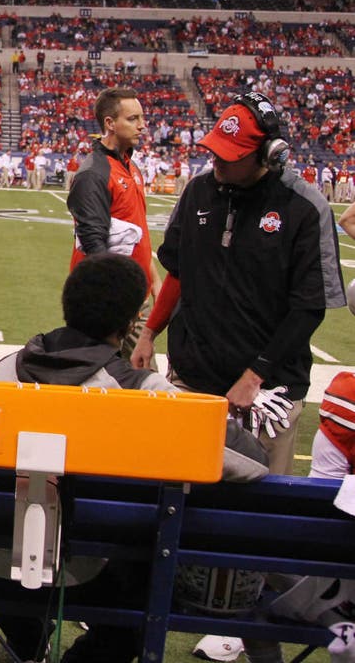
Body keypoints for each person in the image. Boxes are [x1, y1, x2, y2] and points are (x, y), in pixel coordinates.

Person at [0, 254, 269, 663]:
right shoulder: (141, 392)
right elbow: (251, 459)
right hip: (81, 571)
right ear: (132, 322)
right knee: (147, 583)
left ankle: (29, 646)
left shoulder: (3, 371)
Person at [133, 92, 345, 475]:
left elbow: (308, 308)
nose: (217, 161)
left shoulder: (305, 208)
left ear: (268, 155)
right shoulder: (198, 191)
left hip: (267, 394)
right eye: (216, 149)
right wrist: (149, 333)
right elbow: (179, 272)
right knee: (175, 491)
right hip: (191, 377)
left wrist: (254, 376)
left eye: (231, 155)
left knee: (258, 511)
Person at [66, 87, 152, 358]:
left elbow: (138, 232)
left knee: (139, 375)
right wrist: (122, 303)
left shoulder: (130, 165)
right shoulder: (94, 173)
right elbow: (95, 249)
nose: (142, 125)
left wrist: (154, 285)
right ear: (110, 124)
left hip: (137, 293)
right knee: (123, 381)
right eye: (133, 119)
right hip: (113, 300)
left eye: (141, 118)